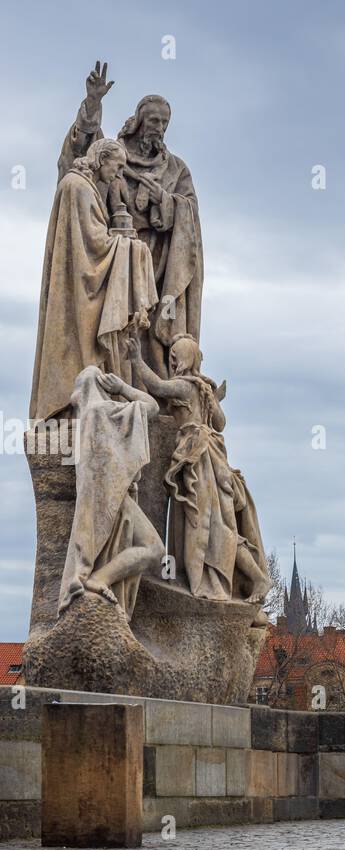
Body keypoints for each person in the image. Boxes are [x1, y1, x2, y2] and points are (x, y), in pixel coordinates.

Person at [57, 61, 203, 376]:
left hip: (159, 260)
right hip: (113, 257)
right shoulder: (114, 154)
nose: (159, 128)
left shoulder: (176, 169)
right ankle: (115, 388)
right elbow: (81, 158)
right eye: (153, 120)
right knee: (117, 328)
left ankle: (157, 395)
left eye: (165, 122)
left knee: (150, 330)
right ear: (138, 121)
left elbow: (189, 211)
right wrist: (92, 105)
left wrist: (164, 201)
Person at [123, 332, 269, 605]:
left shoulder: (185, 386)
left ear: (186, 359)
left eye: (176, 358)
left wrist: (135, 359)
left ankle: (239, 579)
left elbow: (156, 386)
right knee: (218, 527)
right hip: (212, 459)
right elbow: (221, 423)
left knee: (209, 527)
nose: (174, 363)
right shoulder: (203, 388)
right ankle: (251, 577)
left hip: (198, 462)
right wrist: (211, 402)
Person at [30, 138, 157, 419]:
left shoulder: (80, 186)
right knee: (82, 351)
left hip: (79, 287)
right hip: (81, 289)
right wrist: (131, 247)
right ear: (101, 159)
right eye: (118, 165)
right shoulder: (78, 187)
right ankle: (75, 402)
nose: (119, 174)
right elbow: (94, 245)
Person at [59, 367, 164, 619]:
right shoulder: (105, 411)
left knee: (152, 549)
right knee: (154, 550)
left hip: (95, 502)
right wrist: (122, 389)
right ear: (101, 385)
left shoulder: (84, 420)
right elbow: (152, 407)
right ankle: (98, 578)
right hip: (114, 499)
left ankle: (91, 577)